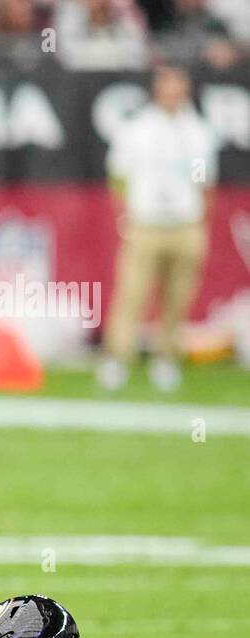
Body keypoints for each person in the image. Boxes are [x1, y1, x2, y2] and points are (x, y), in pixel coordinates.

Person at [100, 64, 219, 392]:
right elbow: (119, 176)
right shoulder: (137, 129)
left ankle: (166, 358)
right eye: (167, 85)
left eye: (178, 85)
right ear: (157, 88)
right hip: (146, 223)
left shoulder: (197, 131)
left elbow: (204, 182)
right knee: (132, 294)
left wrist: (200, 222)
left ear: (186, 89)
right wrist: (124, 217)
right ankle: (117, 358)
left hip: (184, 224)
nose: (173, 92)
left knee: (178, 297)